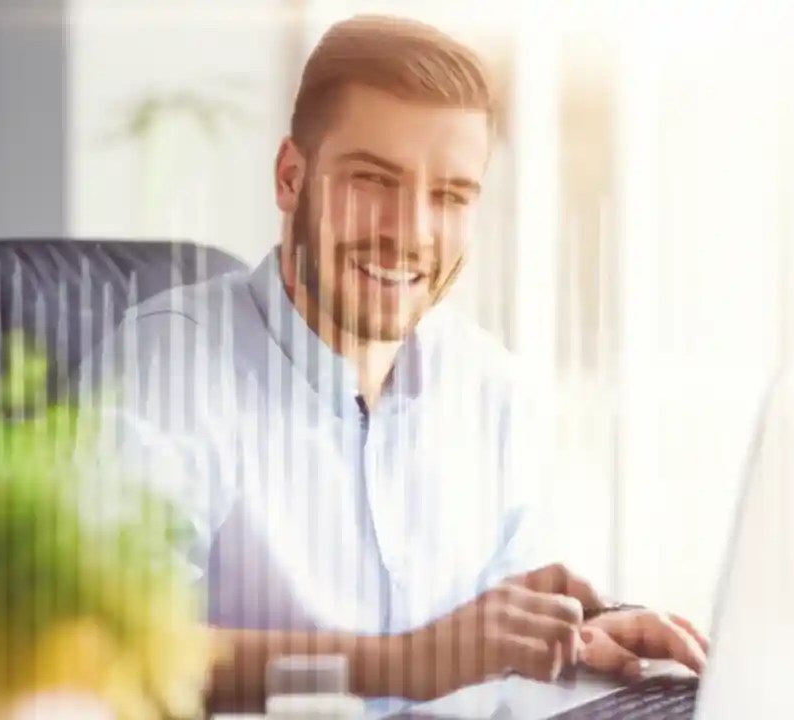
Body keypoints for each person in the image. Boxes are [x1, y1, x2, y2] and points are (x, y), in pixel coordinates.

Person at [88, 14, 708, 715]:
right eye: (372, 181)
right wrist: (401, 665)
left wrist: (574, 633)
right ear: (291, 178)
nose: (409, 233)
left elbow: (485, 635)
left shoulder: (491, 389)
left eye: (449, 196)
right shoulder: (171, 367)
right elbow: (108, 653)